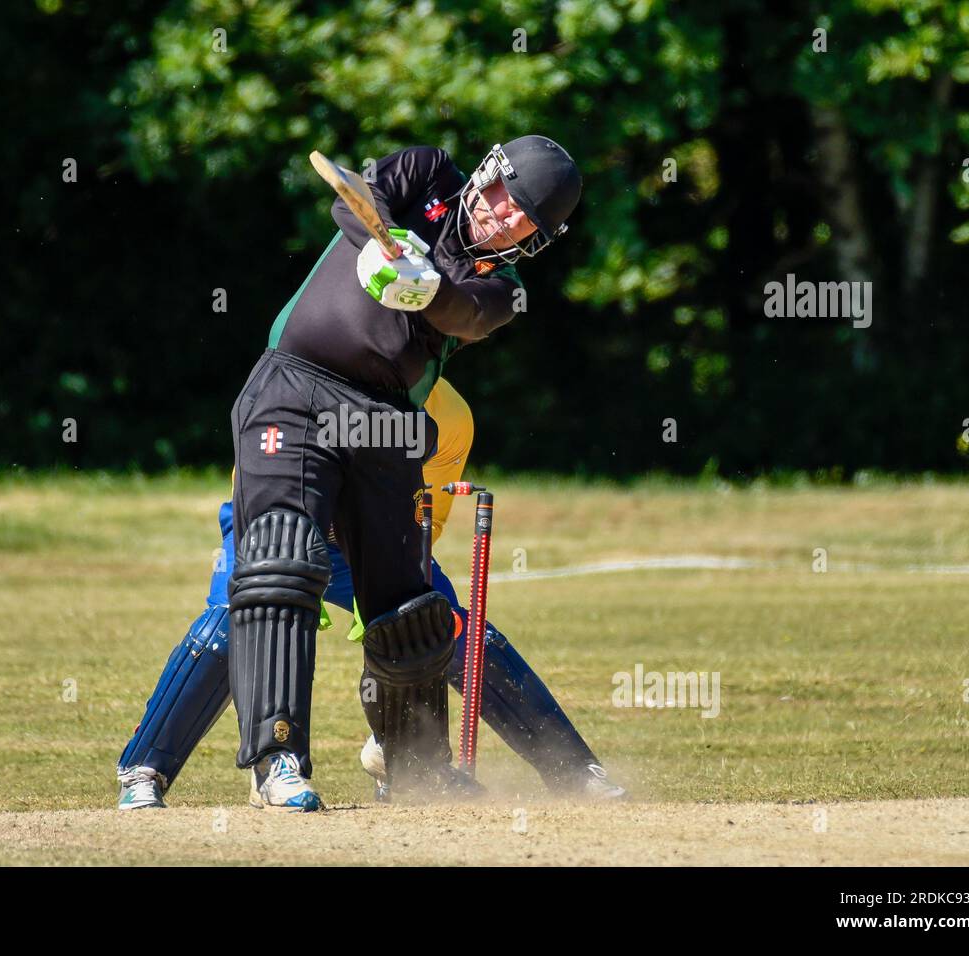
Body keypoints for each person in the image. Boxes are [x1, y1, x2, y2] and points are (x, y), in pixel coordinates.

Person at [223, 135, 587, 810]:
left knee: (412, 609)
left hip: (387, 420)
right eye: (508, 195)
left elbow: (465, 316)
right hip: (294, 388)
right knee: (282, 557)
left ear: (538, 236)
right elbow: (355, 205)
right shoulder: (426, 172)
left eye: (526, 217)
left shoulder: (502, 288)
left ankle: (417, 774)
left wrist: (429, 288)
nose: (507, 216)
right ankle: (278, 764)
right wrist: (392, 241)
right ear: (488, 172)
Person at [116, 377, 627, 809]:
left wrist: (398, 635)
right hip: (277, 518)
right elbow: (263, 478)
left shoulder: (449, 417)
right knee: (235, 625)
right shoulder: (302, 385)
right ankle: (146, 772)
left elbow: (423, 523)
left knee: (440, 626)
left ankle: (555, 770)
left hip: (374, 533)